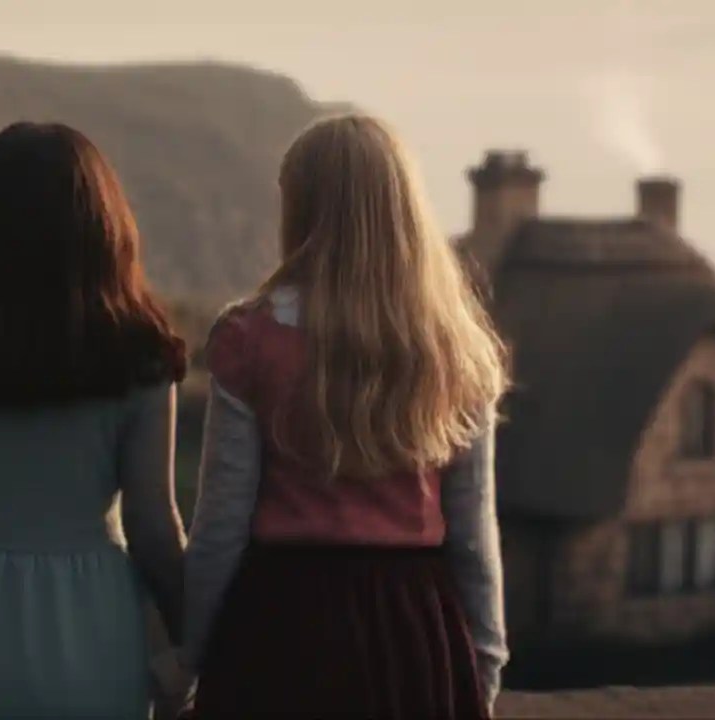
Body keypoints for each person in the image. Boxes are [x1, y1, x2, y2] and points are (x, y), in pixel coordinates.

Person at [182, 114, 509, 719]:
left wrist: (189, 657)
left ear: (301, 211)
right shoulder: (457, 348)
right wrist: (482, 666)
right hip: (416, 629)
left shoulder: (248, 337)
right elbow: (472, 533)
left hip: (279, 625)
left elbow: (221, 524)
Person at [0, 122, 188, 719]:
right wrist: (188, 638)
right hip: (94, 631)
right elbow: (154, 527)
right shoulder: (140, 358)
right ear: (103, 228)